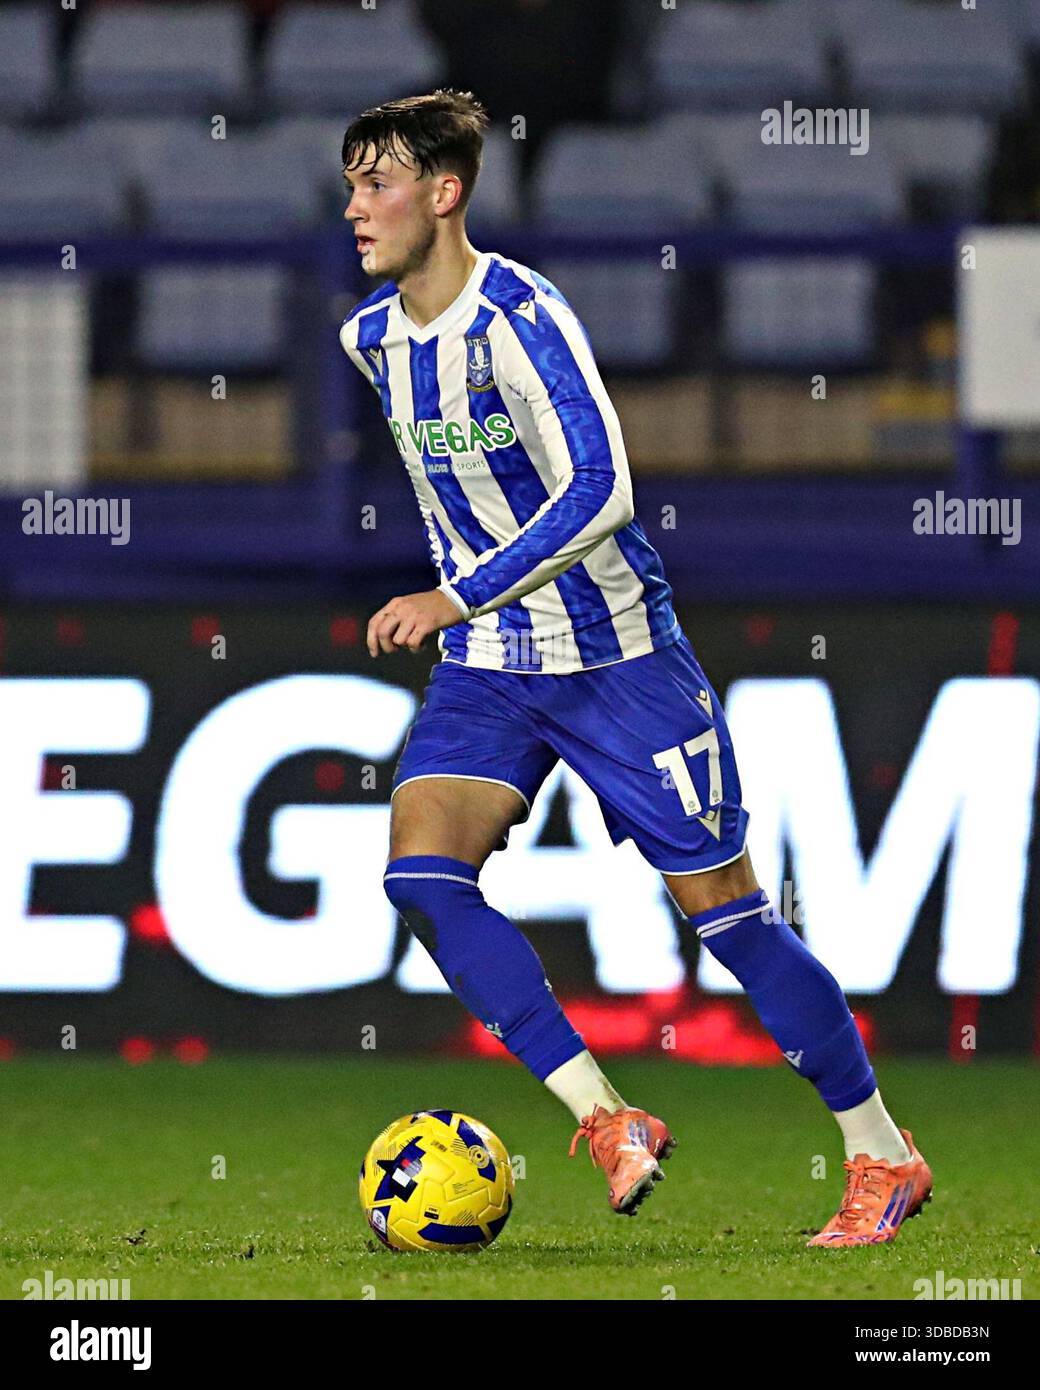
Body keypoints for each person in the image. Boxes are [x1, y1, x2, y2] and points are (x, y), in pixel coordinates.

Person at [338, 89, 932, 1243]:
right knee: (421, 878)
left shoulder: (519, 317)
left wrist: (451, 590)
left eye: (378, 183)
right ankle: (604, 1115)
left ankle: (880, 1153)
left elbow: (600, 489)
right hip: (491, 667)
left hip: (618, 660)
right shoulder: (368, 340)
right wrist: (467, 615)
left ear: (444, 193)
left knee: (730, 922)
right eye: (353, 183)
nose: (355, 207)